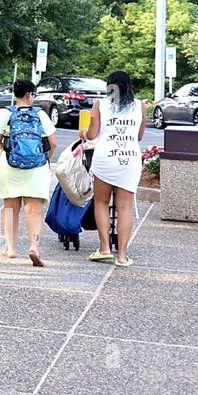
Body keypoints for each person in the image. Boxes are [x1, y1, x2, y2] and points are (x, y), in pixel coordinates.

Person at [81, 70, 144, 268]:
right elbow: (139, 136)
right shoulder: (140, 105)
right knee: (125, 207)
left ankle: (105, 249)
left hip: (106, 158)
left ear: (110, 86)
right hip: (130, 159)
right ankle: (123, 256)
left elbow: (92, 135)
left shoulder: (101, 104)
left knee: (101, 202)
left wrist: (82, 133)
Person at [0, 79, 57, 266]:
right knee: (33, 210)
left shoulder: (5, 113)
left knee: (11, 207)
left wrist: (4, 149)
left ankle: (11, 248)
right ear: (29, 95)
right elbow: (53, 143)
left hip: (10, 164)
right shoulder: (41, 114)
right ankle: (34, 246)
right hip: (37, 167)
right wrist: (44, 158)